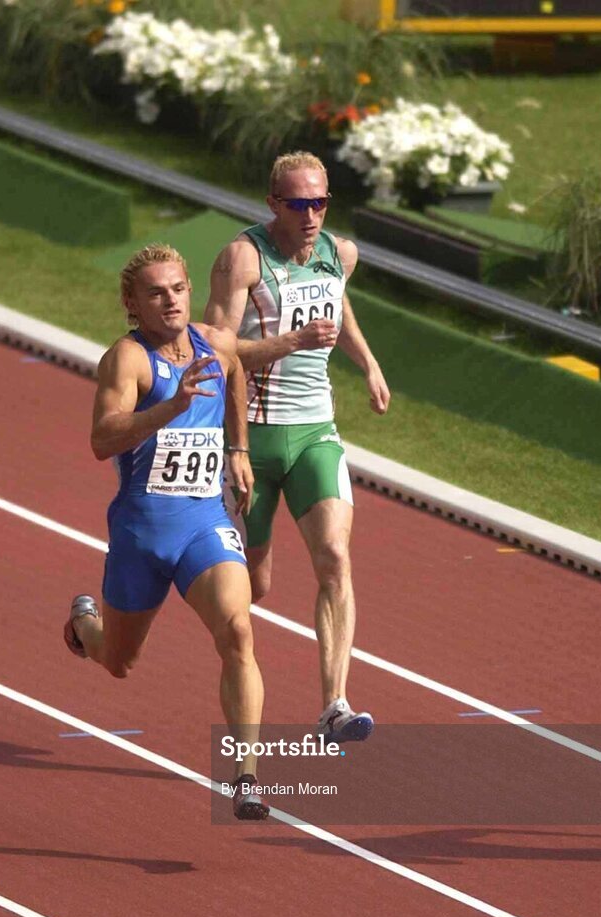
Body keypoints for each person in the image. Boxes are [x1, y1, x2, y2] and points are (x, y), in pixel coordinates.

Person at [63, 243, 268, 820]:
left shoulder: (215, 342)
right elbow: (103, 440)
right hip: (141, 533)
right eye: (156, 292)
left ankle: (246, 777)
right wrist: (170, 408)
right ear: (134, 302)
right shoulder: (126, 361)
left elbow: (235, 372)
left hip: (203, 522)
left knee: (238, 631)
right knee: (119, 661)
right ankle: (85, 625)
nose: (171, 300)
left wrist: (238, 448)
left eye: (177, 288)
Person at [204, 151, 391, 743]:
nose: (311, 214)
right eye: (298, 203)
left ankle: (334, 704)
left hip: (315, 432)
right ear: (272, 204)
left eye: (320, 202)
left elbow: (337, 302)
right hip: (252, 439)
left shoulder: (342, 253)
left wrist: (367, 362)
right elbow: (216, 352)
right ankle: (129, 605)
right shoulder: (243, 258)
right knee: (252, 586)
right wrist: (292, 342)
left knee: (335, 556)